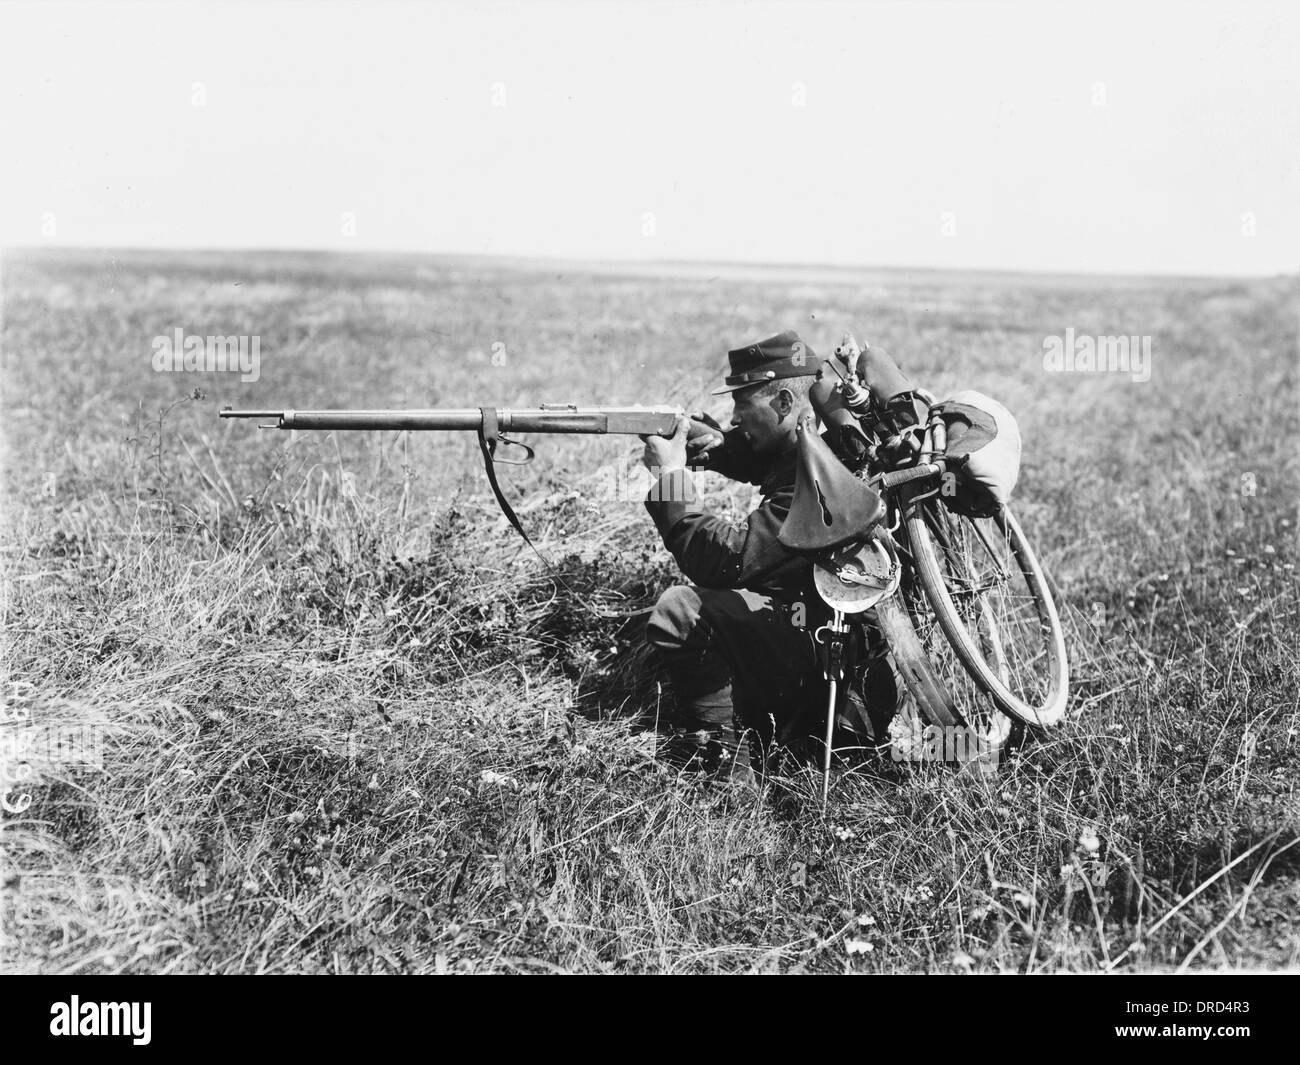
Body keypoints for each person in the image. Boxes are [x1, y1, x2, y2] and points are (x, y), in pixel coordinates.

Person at [639, 331, 898, 784]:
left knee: (679, 613)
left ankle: (732, 775)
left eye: (743, 405)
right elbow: (757, 454)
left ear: (782, 402)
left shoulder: (818, 481)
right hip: (841, 655)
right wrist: (705, 440)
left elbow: (726, 559)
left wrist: (671, 478)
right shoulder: (826, 442)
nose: (735, 417)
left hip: (835, 676)